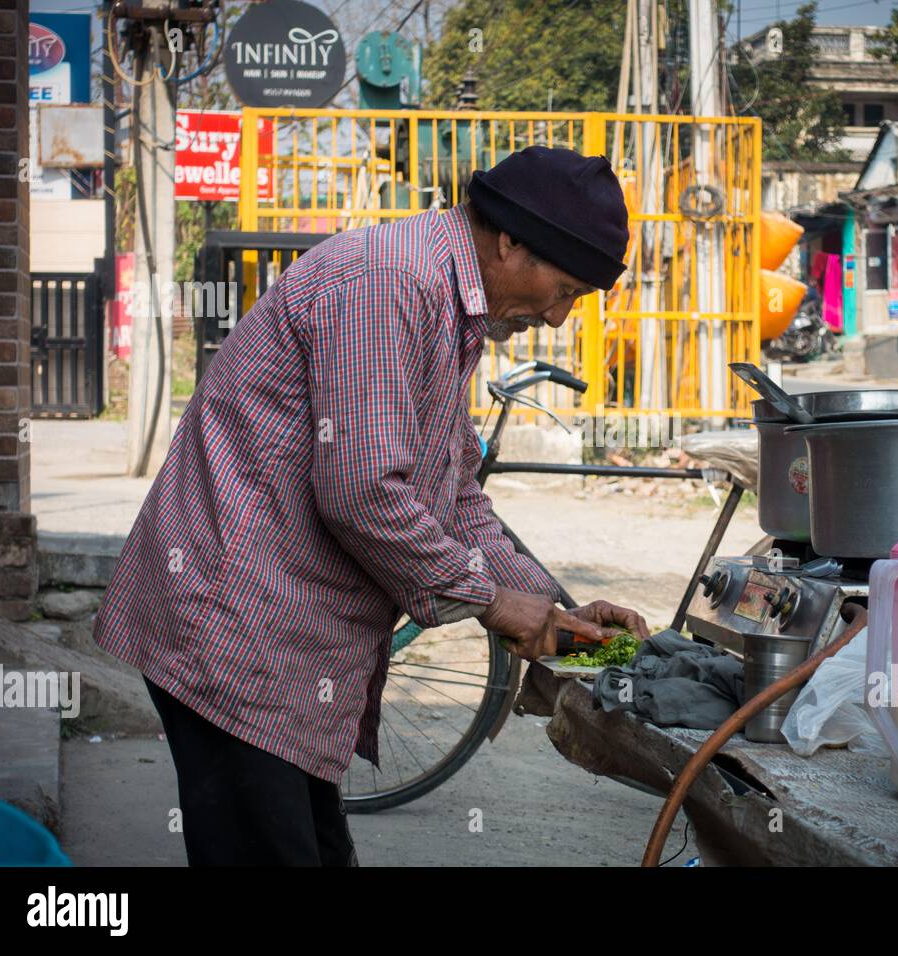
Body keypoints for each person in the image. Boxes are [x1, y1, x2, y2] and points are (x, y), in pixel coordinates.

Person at [94, 146, 650, 865]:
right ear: (510, 239)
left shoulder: (447, 303)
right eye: (563, 289)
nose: (556, 316)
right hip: (231, 628)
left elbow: (452, 492)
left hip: (282, 641)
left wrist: (549, 605)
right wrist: (490, 599)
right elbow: (363, 494)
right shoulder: (389, 282)